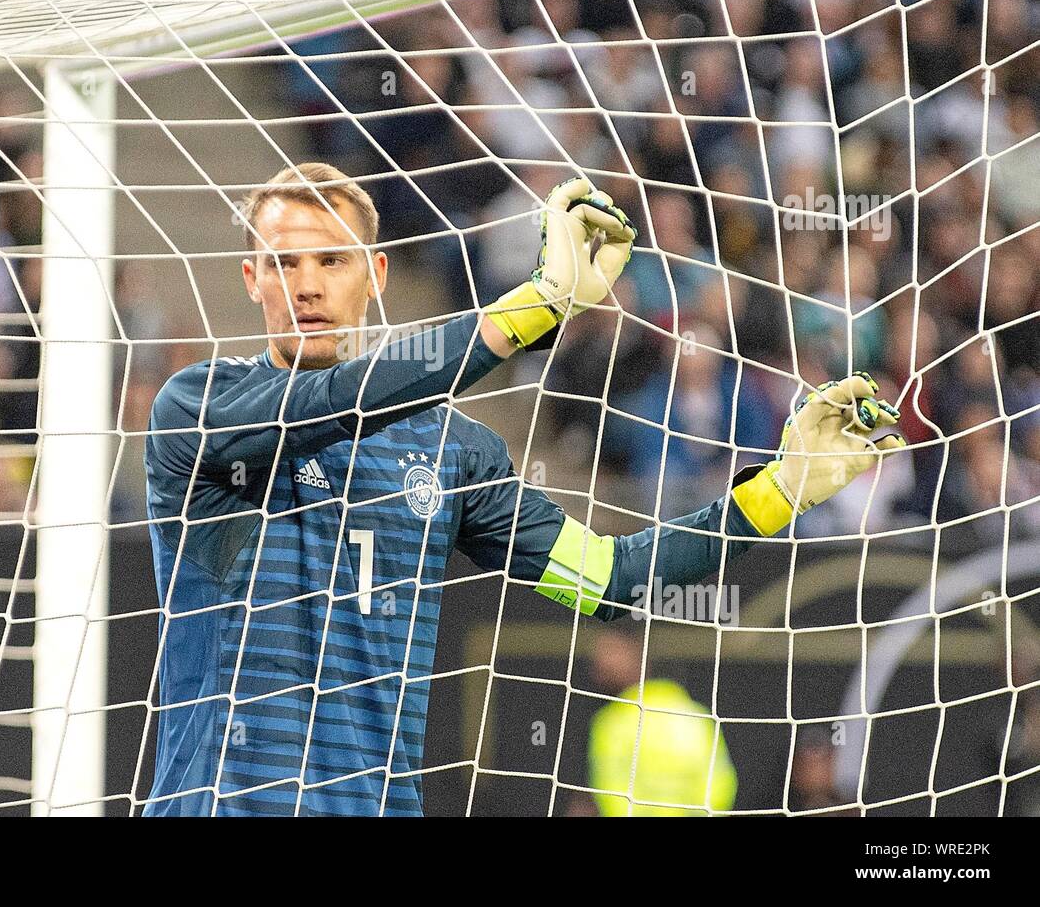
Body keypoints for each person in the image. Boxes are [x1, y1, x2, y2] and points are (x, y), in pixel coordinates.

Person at [142, 162, 905, 816]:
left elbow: (610, 578)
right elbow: (343, 398)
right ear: (250, 280)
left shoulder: (451, 452)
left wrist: (780, 489)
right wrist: (539, 302)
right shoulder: (200, 407)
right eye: (282, 263)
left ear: (376, 275)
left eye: (332, 261)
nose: (305, 285)